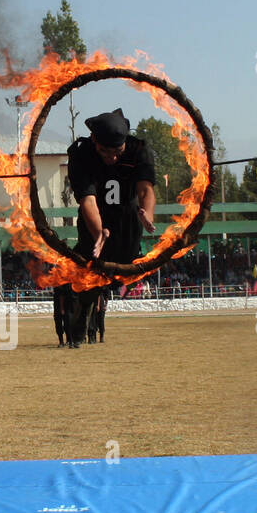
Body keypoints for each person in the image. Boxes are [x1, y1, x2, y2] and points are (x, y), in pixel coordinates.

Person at [62, 108, 157, 348]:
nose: (112, 158)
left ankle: (92, 305)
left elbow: (146, 189)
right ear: (94, 140)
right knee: (92, 271)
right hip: (93, 219)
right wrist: (98, 234)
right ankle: (83, 310)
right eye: (105, 151)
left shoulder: (138, 149)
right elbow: (88, 200)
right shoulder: (81, 155)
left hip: (128, 220)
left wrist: (147, 214)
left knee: (118, 274)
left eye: (118, 152)